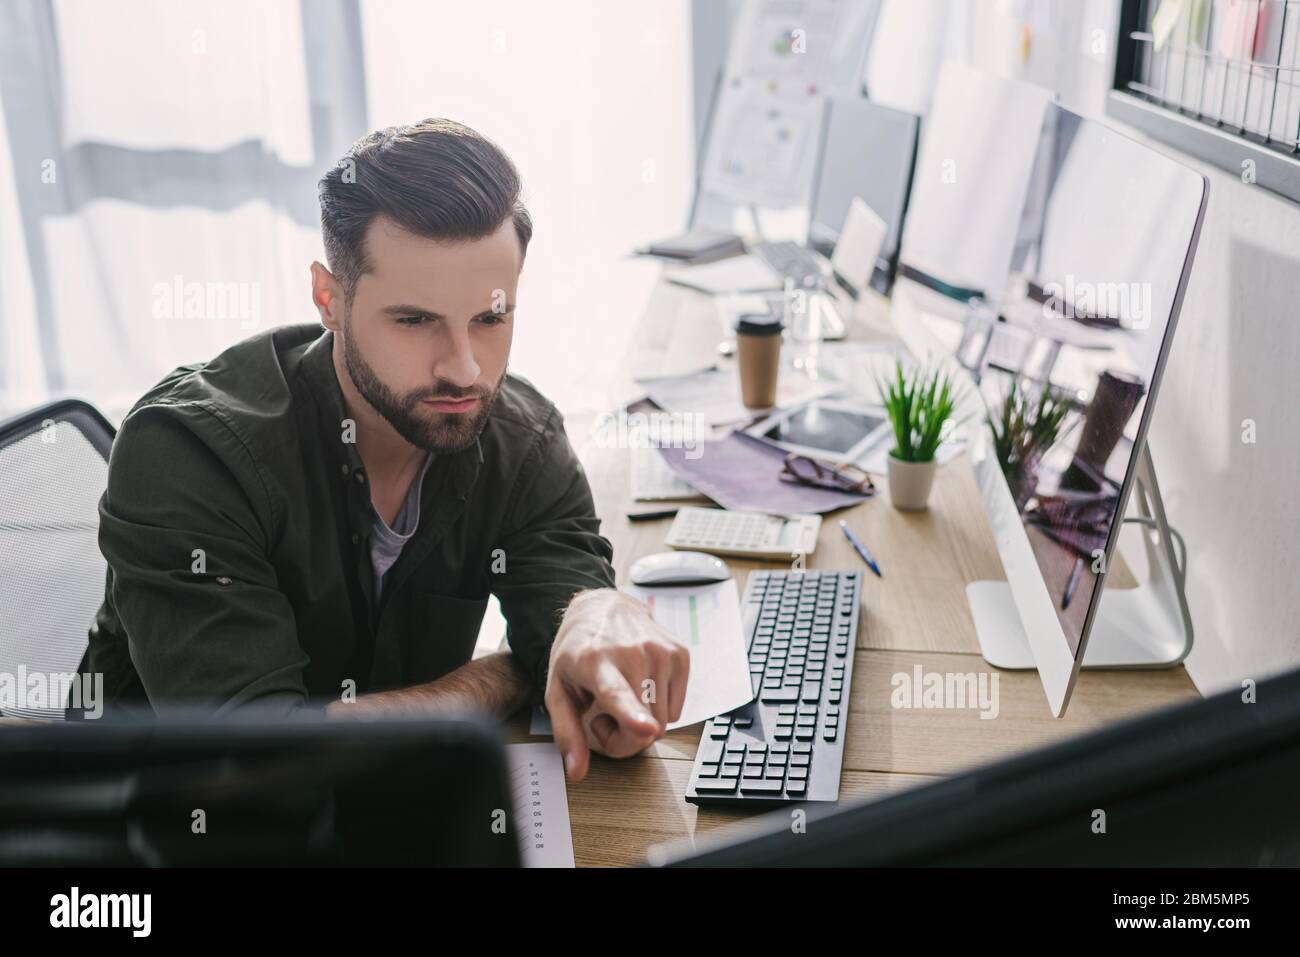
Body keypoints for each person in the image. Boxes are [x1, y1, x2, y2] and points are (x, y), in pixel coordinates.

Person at [79, 118, 688, 781]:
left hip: (393, 798)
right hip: (156, 827)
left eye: (490, 319)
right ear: (329, 298)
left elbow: (565, 593)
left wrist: (596, 616)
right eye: (414, 320)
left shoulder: (520, 434)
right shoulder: (189, 453)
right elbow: (257, 763)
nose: (465, 370)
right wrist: (502, 674)